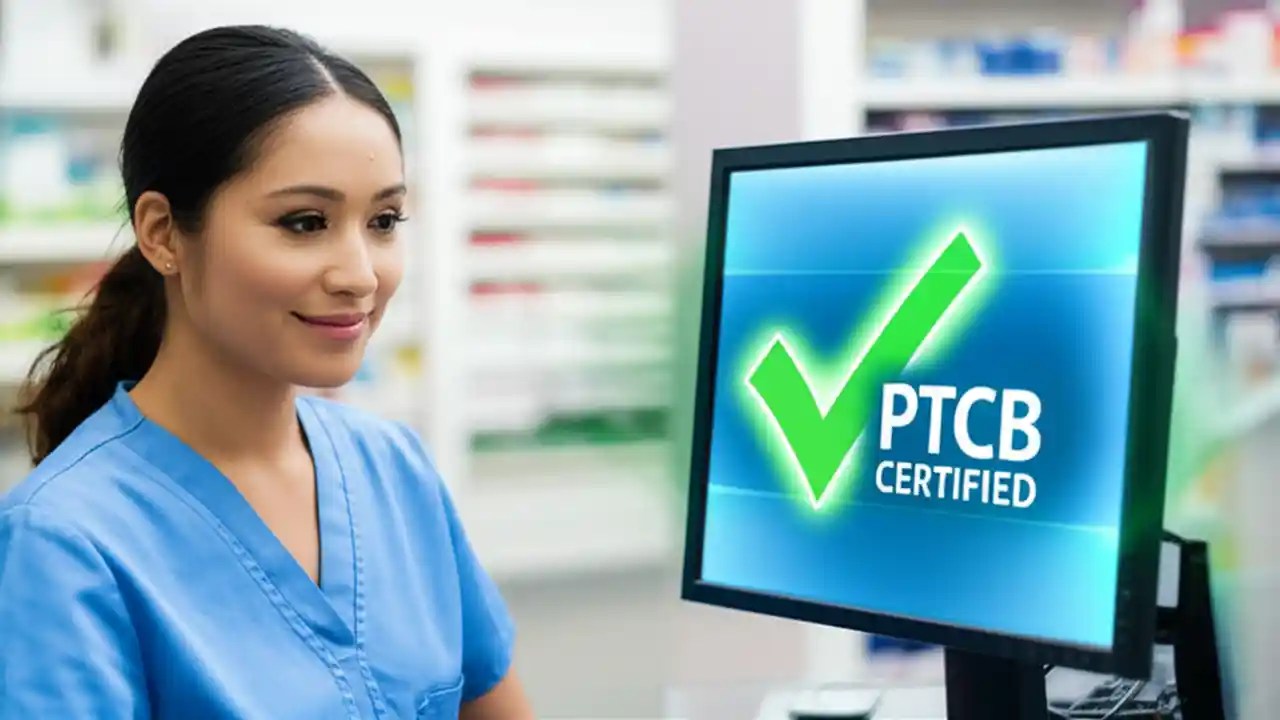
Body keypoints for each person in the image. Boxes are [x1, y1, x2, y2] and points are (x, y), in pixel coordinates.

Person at [0, 25, 534, 720]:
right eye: (305, 222)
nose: (360, 275)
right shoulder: (62, 542)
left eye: (384, 219)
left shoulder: (395, 471)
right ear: (162, 233)